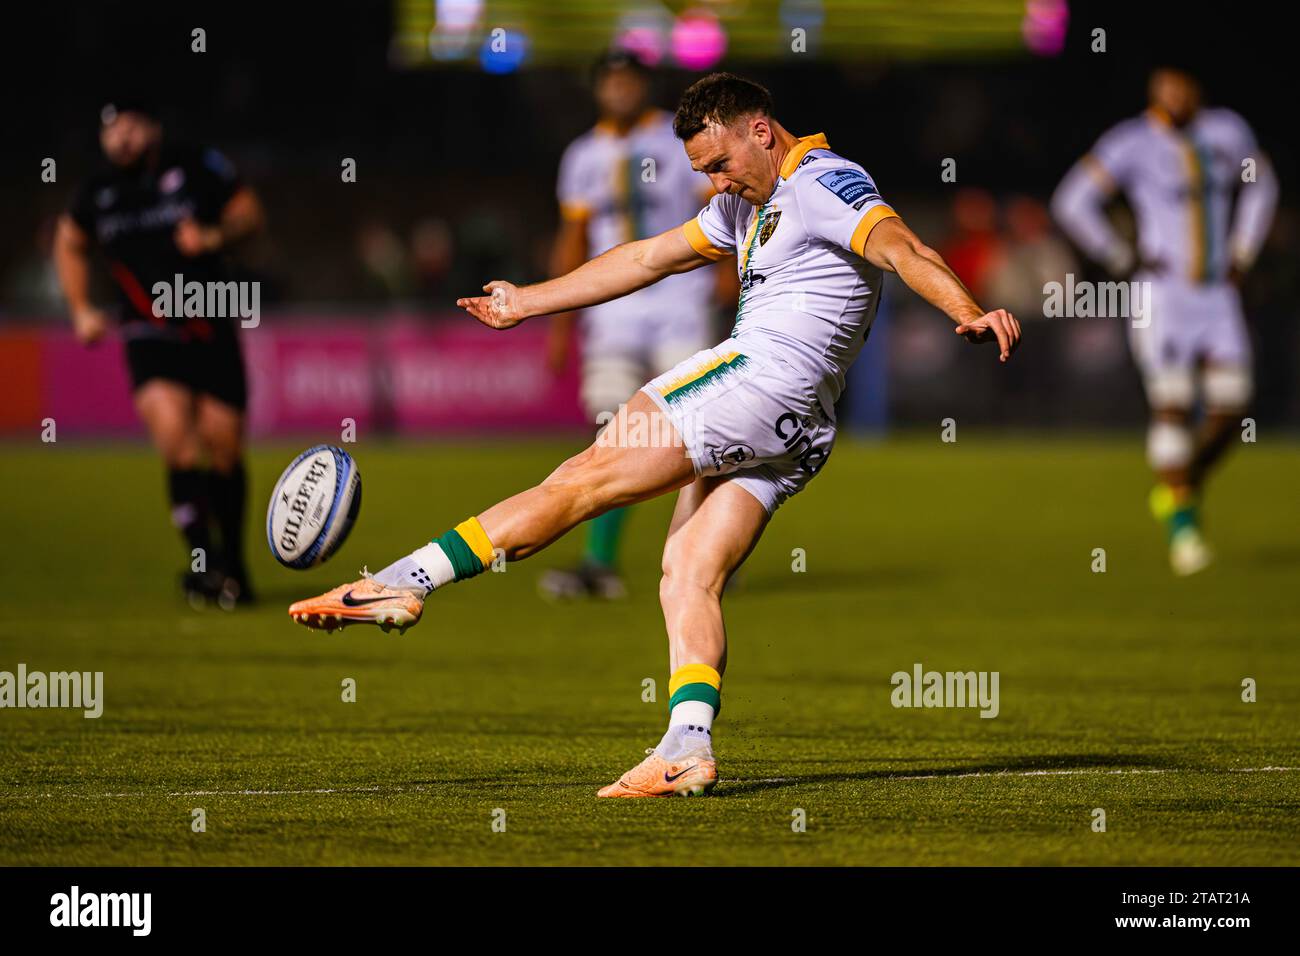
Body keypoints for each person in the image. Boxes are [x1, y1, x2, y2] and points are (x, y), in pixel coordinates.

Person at [289, 73, 1021, 797]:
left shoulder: (822, 181)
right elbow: (648, 257)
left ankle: (401, 582)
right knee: (688, 572)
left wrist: (967, 307)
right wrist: (528, 303)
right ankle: (686, 749)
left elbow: (901, 247)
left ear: (760, 131)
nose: (717, 184)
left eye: (721, 165)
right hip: (800, 427)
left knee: (580, 481)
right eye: (703, 172)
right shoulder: (748, 200)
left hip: (754, 381)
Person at [1052, 67, 1277, 575]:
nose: (1174, 96)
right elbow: (1073, 201)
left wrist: (1243, 249)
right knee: (1172, 404)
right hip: (1163, 295)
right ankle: (1184, 529)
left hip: (1218, 292)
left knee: (1234, 406)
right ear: (1153, 91)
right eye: (1165, 87)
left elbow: (1262, 185)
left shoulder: (1226, 132)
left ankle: (1180, 485)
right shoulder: (1132, 142)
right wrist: (1118, 256)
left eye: (1182, 86)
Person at [53, 96, 266, 605]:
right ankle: (205, 565)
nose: (121, 137)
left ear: (152, 128)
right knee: (177, 443)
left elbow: (249, 214)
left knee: (223, 448)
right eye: (111, 129)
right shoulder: (98, 192)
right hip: (147, 329)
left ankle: (234, 567)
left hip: (213, 315)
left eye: (130, 125)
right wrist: (81, 306)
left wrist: (214, 234)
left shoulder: (196, 164)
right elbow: (69, 241)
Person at [539, 50, 724, 601]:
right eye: (610, 80)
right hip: (614, 304)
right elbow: (572, 239)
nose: (619, 88)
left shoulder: (677, 138)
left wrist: (732, 277)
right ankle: (600, 563)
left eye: (628, 79)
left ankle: (712, 553)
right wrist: (557, 319)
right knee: (613, 430)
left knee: (702, 429)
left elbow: (721, 206)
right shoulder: (582, 154)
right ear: (597, 88)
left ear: (643, 85)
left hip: (681, 298)